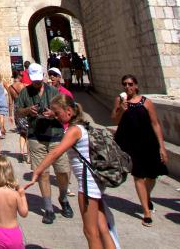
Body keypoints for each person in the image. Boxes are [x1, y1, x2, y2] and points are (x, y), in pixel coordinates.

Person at [23, 94, 120, 249]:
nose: (56, 117)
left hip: (88, 186)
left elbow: (55, 153)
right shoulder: (83, 125)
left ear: (68, 111)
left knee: (90, 232)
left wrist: (37, 172)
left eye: (57, 113)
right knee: (102, 228)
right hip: (95, 183)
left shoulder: (73, 131)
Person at [15, 64, 73, 223]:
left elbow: (68, 113)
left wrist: (53, 114)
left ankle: (63, 198)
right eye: (34, 80)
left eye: (38, 80)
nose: (36, 83)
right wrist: (28, 111)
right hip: (36, 137)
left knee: (62, 171)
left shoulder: (54, 92)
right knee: (43, 173)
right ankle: (48, 207)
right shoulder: (25, 92)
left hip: (55, 135)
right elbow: (18, 110)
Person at [111, 74, 168, 226]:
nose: (127, 87)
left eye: (130, 84)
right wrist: (121, 110)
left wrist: (162, 146)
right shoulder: (120, 101)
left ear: (136, 86)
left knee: (152, 175)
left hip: (148, 142)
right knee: (138, 176)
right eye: (124, 84)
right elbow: (114, 120)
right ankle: (146, 212)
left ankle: (147, 196)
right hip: (130, 143)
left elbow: (155, 124)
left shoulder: (146, 102)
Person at [11, 67, 31, 163]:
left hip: (16, 110)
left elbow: (10, 102)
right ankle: (28, 156)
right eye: (22, 75)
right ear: (19, 75)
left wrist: (10, 115)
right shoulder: (23, 86)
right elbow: (26, 99)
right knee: (27, 133)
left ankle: (22, 152)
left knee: (22, 132)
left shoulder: (11, 87)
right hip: (23, 109)